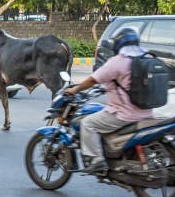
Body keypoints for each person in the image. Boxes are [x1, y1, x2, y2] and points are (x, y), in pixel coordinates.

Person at [64, 27, 153, 174]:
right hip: (147, 113)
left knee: (88, 123)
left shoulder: (118, 61)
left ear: (118, 44)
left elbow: (93, 80)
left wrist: (75, 90)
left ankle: (97, 160)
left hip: (124, 115)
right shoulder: (146, 59)